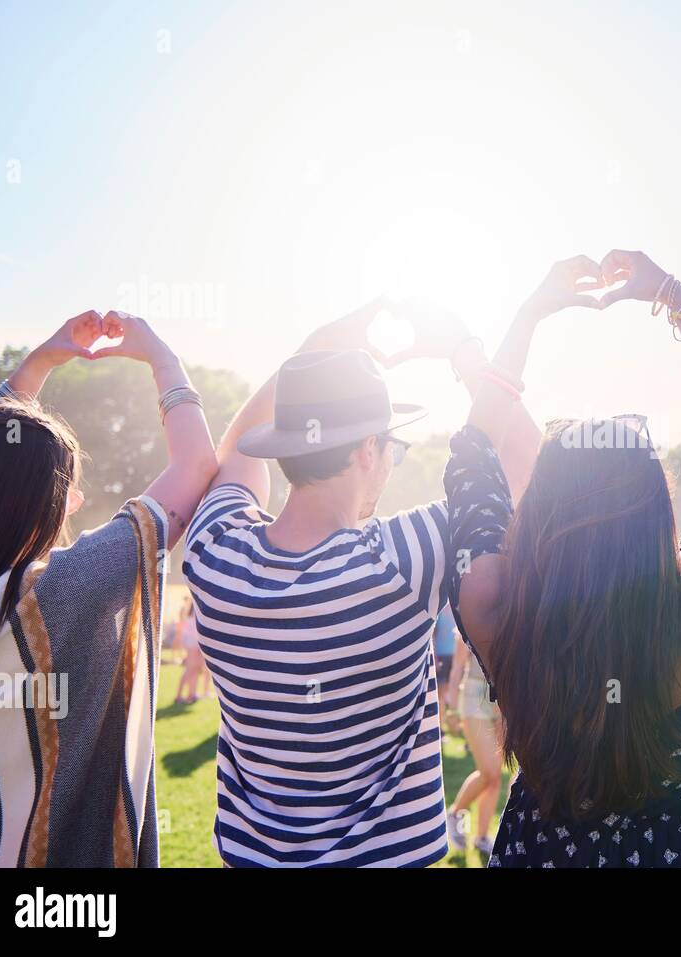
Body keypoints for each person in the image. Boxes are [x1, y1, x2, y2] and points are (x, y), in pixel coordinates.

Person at [446, 252, 681, 868]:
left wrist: (530, 315)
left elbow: (471, 450)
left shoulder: (494, 600)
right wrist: (678, 300)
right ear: (654, 510)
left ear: (539, 510)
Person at [182, 299, 534, 867]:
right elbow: (527, 475)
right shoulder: (402, 562)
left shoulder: (213, 552)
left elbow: (235, 452)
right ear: (370, 448)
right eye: (392, 445)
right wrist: (465, 353)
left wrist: (314, 349)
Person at [0, 309, 216, 866]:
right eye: (69, 491)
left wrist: (37, 365)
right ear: (43, 505)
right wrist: (162, 359)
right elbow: (197, 464)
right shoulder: (69, 586)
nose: (76, 503)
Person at [444, 638, 503, 865]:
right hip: (473, 698)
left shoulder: (513, 618)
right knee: (488, 771)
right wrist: (450, 708)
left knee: (496, 776)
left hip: (502, 702)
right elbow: (457, 667)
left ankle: (481, 837)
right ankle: (456, 812)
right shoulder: (472, 617)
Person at [173, 593, 211, 705]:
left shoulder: (196, 607)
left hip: (198, 641)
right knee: (190, 669)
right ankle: (179, 696)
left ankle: (192, 694)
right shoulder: (194, 609)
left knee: (195, 669)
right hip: (193, 642)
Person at [432, 607, 461, 736]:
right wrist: (435, 658)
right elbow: (432, 635)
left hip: (456, 656)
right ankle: (440, 727)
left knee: (456, 691)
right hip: (441, 655)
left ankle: (456, 725)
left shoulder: (458, 609)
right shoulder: (439, 611)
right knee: (441, 695)